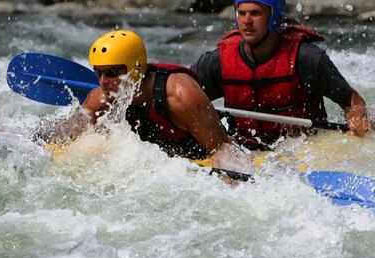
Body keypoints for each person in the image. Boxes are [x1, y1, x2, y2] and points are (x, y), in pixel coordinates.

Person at [192, 0, 372, 150]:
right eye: (241, 13)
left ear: (275, 17)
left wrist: (357, 120)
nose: (246, 21)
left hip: (304, 148)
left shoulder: (306, 59)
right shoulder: (218, 62)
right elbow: (182, 97)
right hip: (243, 149)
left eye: (255, 13)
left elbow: (351, 101)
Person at [74, 29, 251, 171]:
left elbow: (223, 149)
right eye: (99, 72)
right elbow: (71, 137)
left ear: (135, 69)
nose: (104, 81)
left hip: (195, 167)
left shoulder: (181, 94)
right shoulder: (102, 97)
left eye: (112, 72)